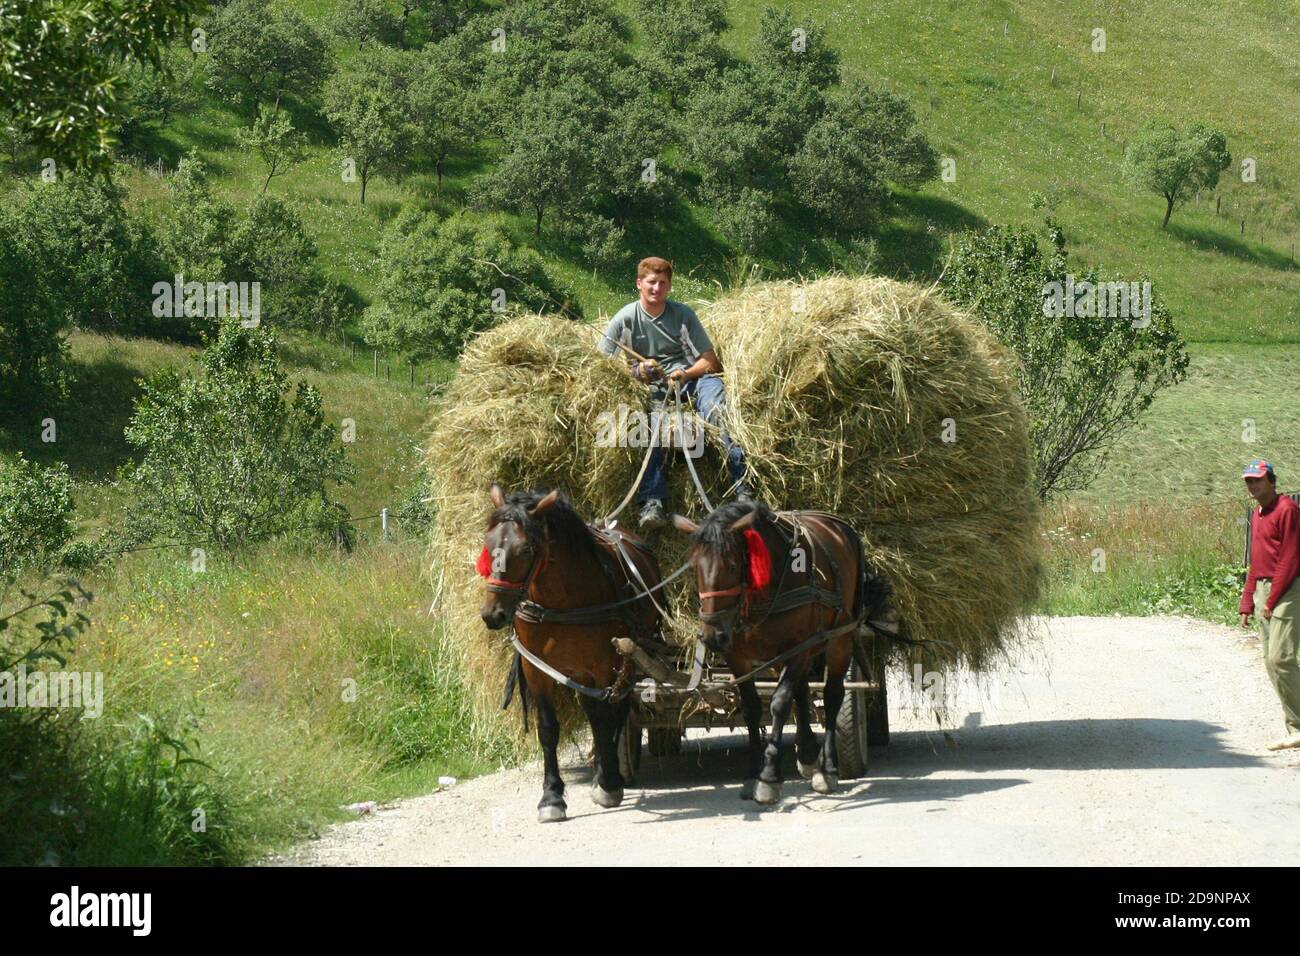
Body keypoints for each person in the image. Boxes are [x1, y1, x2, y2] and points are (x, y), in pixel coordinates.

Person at [597, 257, 751, 529]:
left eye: (662, 283)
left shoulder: (683, 315)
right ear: (639, 284)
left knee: (719, 413)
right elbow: (599, 365)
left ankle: (742, 489)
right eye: (651, 282)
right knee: (645, 425)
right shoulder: (625, 319)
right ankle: (652, 501)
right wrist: (637, 373)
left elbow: (710, 361)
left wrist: (686, 373)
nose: (656, 288)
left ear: (669, 287)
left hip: (694, 379)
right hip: (652, 388)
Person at [1238, 459, 1300, 751]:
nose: (1252, 485)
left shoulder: (1287, 509)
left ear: (1271, 481)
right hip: (1264, 588)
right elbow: (1256, 561)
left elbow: (1290, 559)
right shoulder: (1258, 512)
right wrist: (1247, 600)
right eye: (1249, 481)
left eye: (1258, 480)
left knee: (1281, 658)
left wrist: (1272, 599)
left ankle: (1298, 727)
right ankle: (1294, 727)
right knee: (1269, 661)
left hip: (1287, 588)